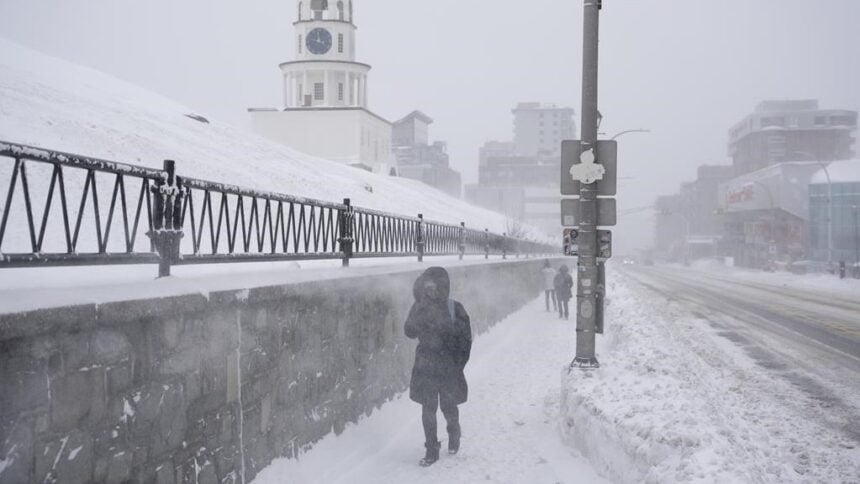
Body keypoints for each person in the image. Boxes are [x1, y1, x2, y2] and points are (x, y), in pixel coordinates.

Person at [405, 267, 473, 467]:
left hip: (448, 367)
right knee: (428, 408)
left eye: (433, 288)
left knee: (448, 405)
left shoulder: (455, 308)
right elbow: (408, 331)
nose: (430, 291)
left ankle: (454, 432)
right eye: (426, 288)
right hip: (425, 366)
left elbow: (466, 340)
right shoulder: (419, 307)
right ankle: (431, 449)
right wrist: (415, 317)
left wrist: (458, 365)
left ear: (443, 287)